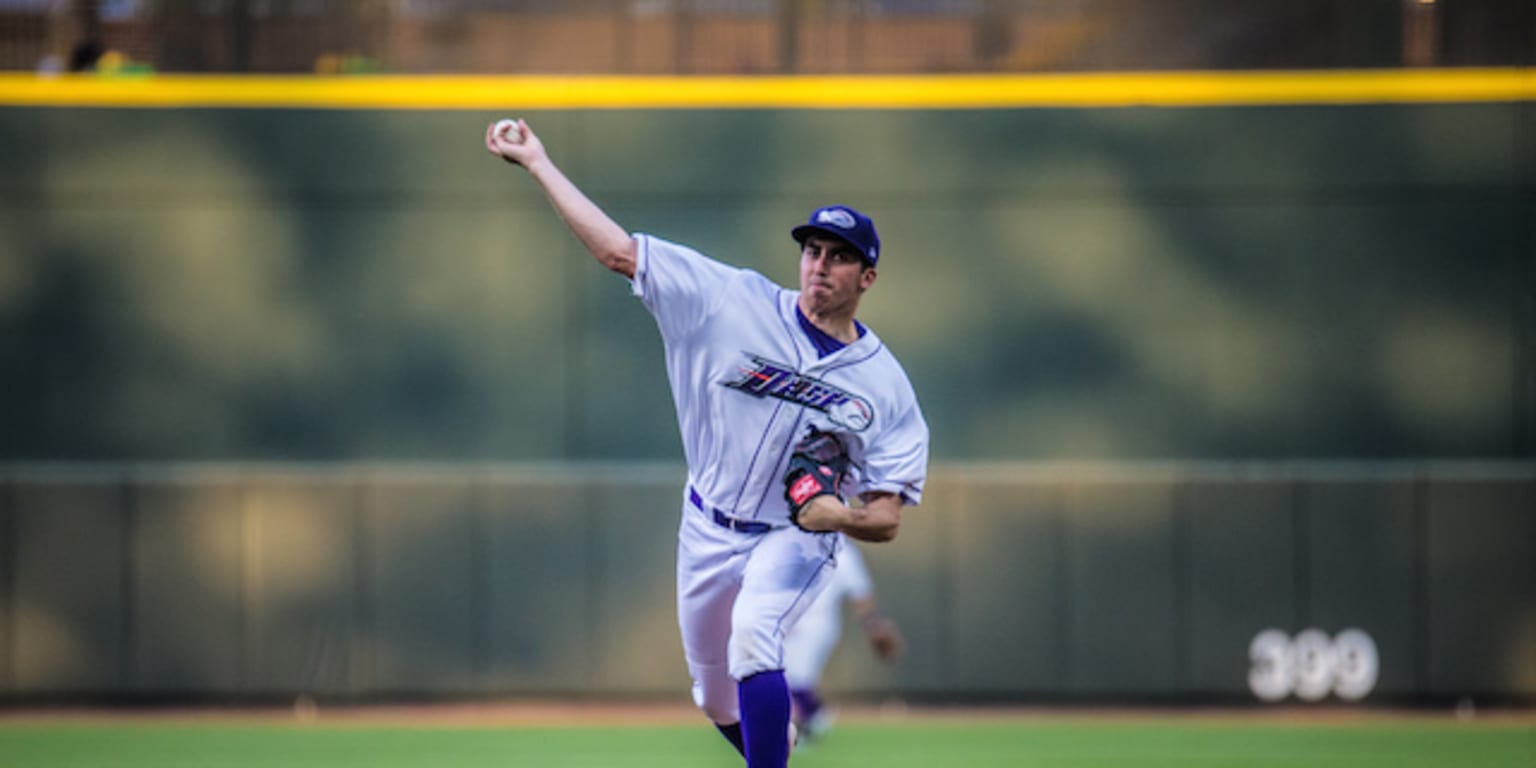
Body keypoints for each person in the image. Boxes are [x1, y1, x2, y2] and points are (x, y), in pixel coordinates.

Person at [485, 118, 929, 768]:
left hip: (792, 535)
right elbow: (619, 252)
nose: (820, 265)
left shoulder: (885, 385)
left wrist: (842, 518)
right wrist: (539, 164)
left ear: (868, 277)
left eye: (839, 256)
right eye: (813, 250)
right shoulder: (728, 301)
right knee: (716, 700)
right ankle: (772, 746)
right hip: (706, 527)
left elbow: (887, 516)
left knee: (754, 635)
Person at [783, 535, 904, 742]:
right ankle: (814, 718)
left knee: (797, 677)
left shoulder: (843, 553)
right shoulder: (790, 543)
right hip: (785, 623)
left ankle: (812, 721)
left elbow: (861, 593)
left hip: (817, 626)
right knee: (780, 677)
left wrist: (874, 625)